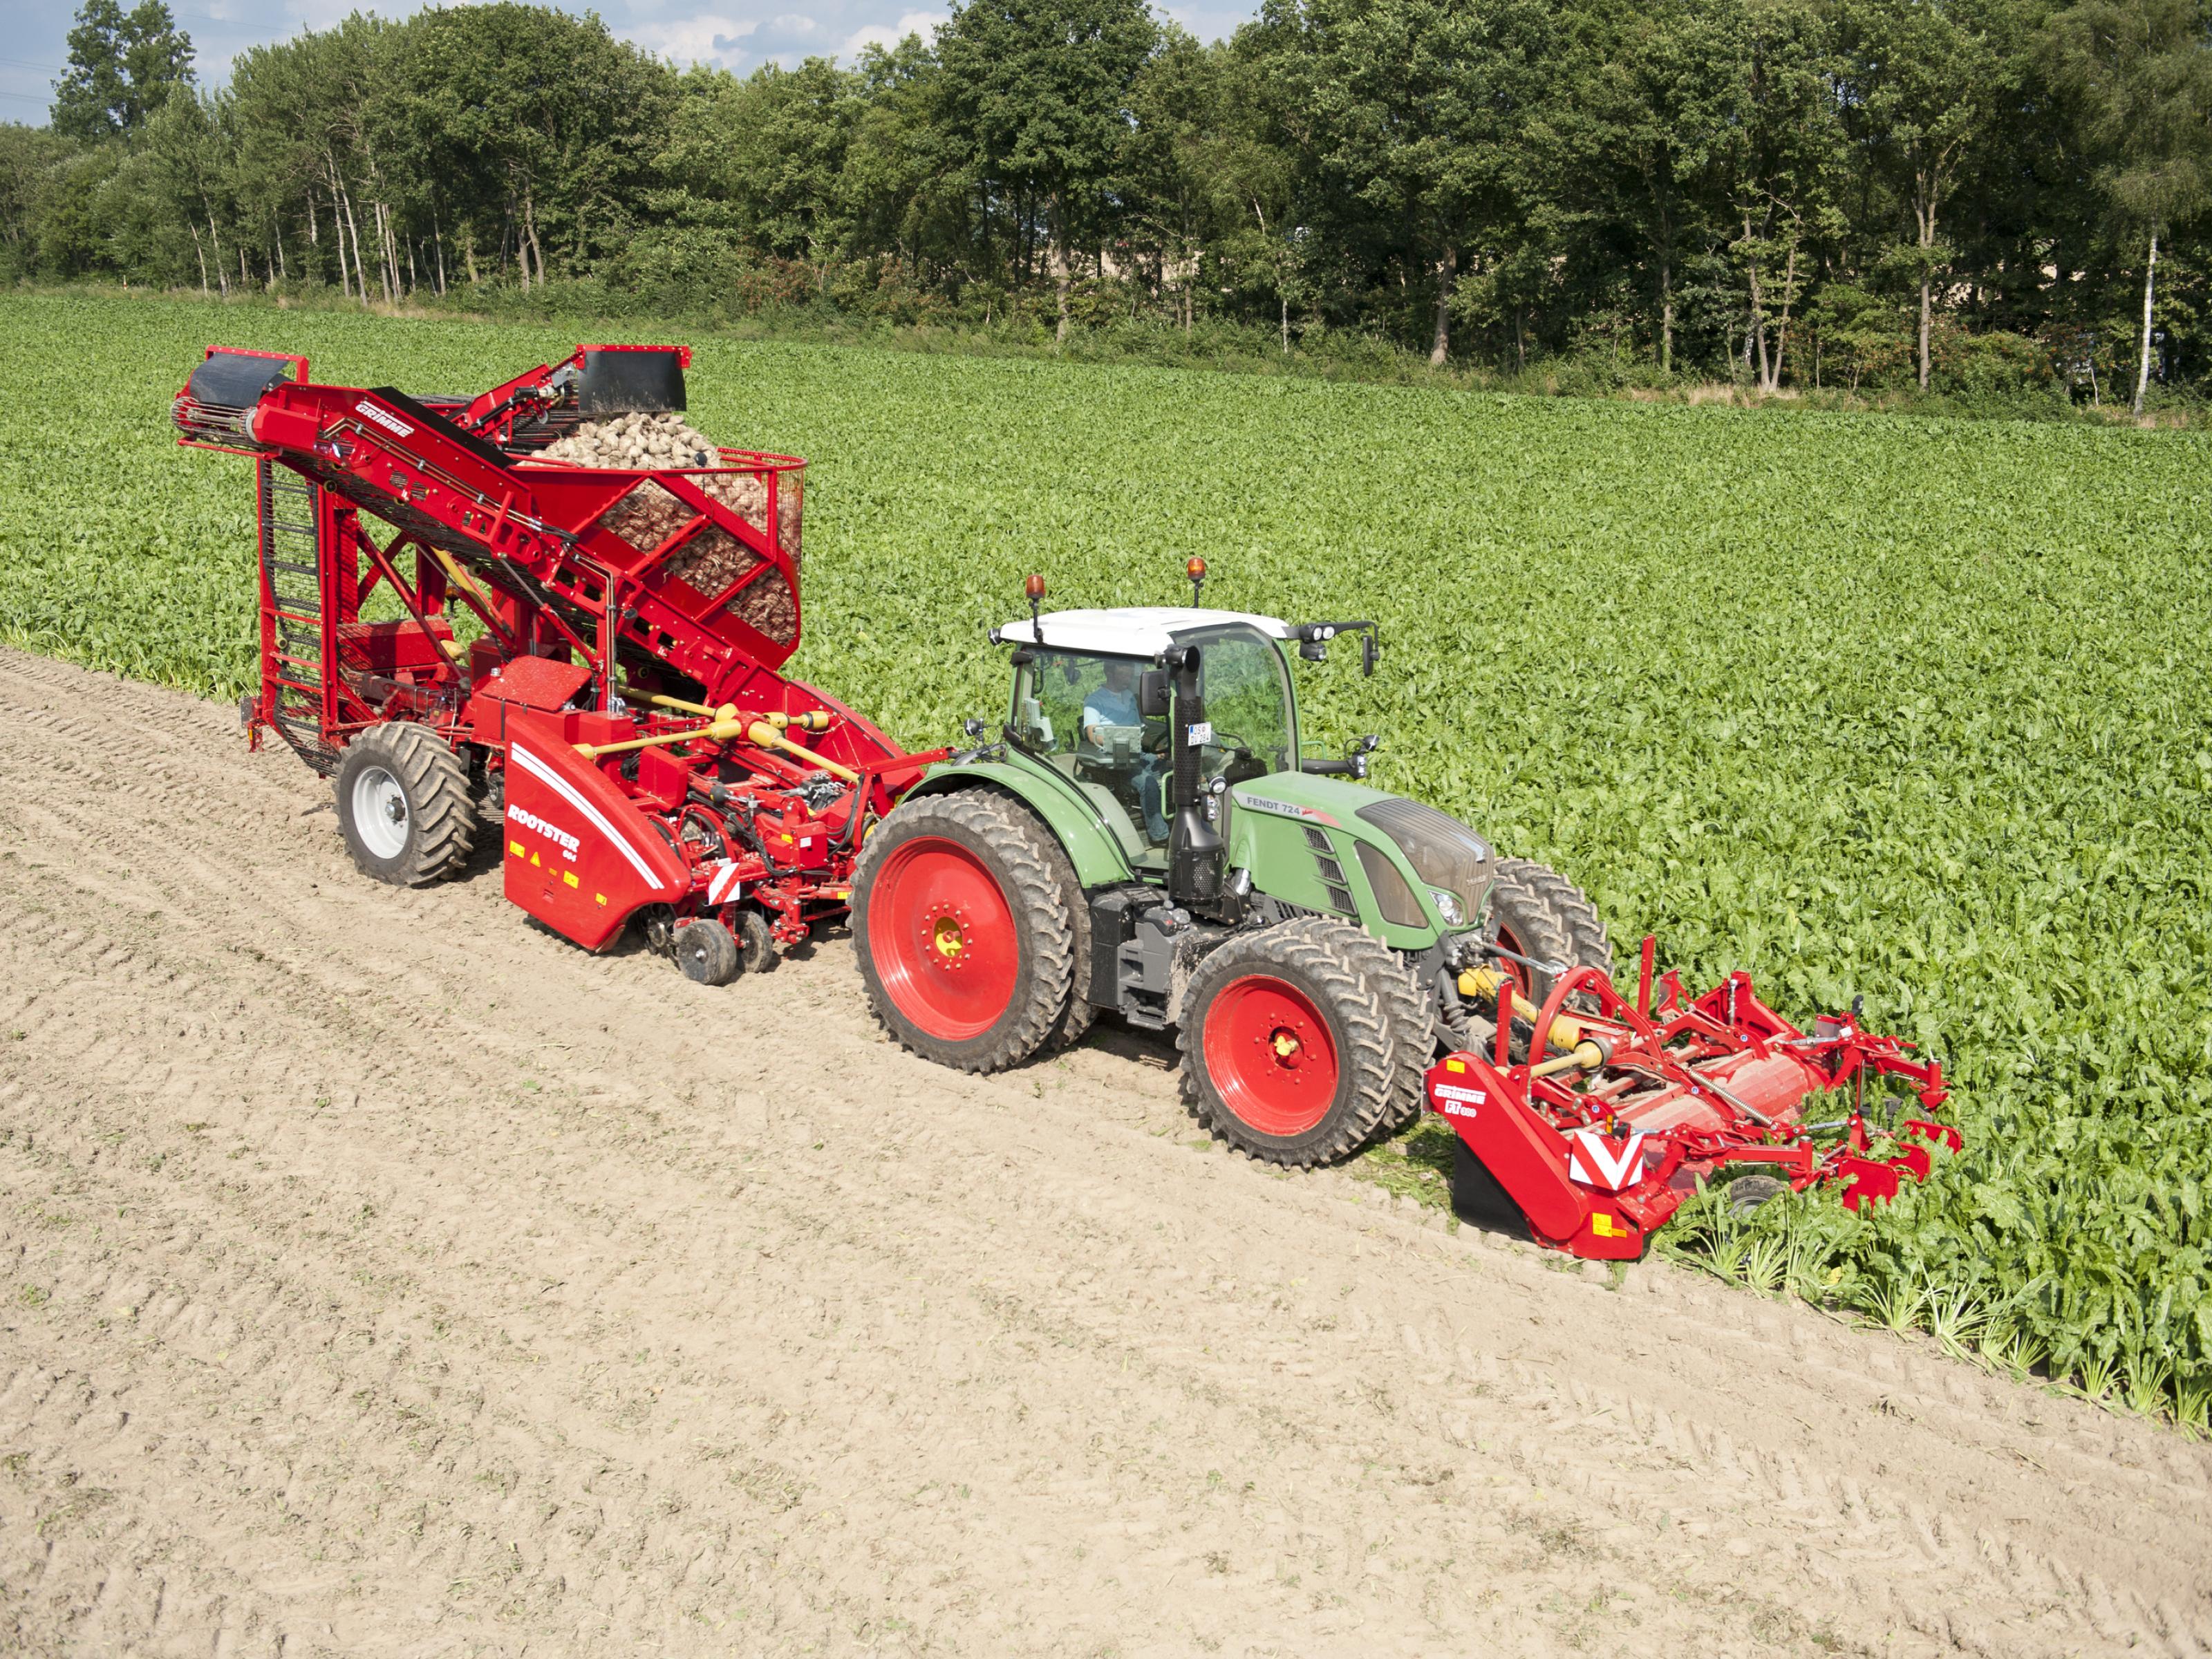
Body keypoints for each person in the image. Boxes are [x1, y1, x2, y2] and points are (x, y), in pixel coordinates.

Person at [1081, 661, 1169, 843]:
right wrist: (1122, 740)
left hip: (1139, 754)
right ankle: (1160, 836)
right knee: (1149, 783)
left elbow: (1140, 731)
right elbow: (1092, 734)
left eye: (1130, 675)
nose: (1128, 679)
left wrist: (1157, 748)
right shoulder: (1094, 701)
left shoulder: (1130, 697)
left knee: (1173, 769)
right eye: (1124, 675)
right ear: (1109, 672)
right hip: (1116, 759)